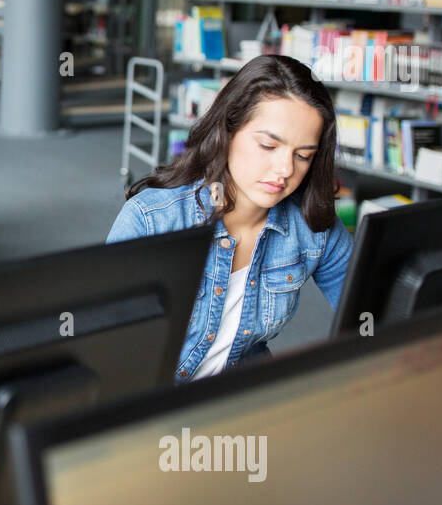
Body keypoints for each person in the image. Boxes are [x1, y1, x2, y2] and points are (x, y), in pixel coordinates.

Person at [106, 55, 353, 383]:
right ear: (228, 131)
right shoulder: (152, 220)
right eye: (268, 145)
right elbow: (105, 352)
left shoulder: (313, 224)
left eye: (303, 155)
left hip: (236, 402)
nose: (285, 170)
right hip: (151, 405)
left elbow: (372, 311)